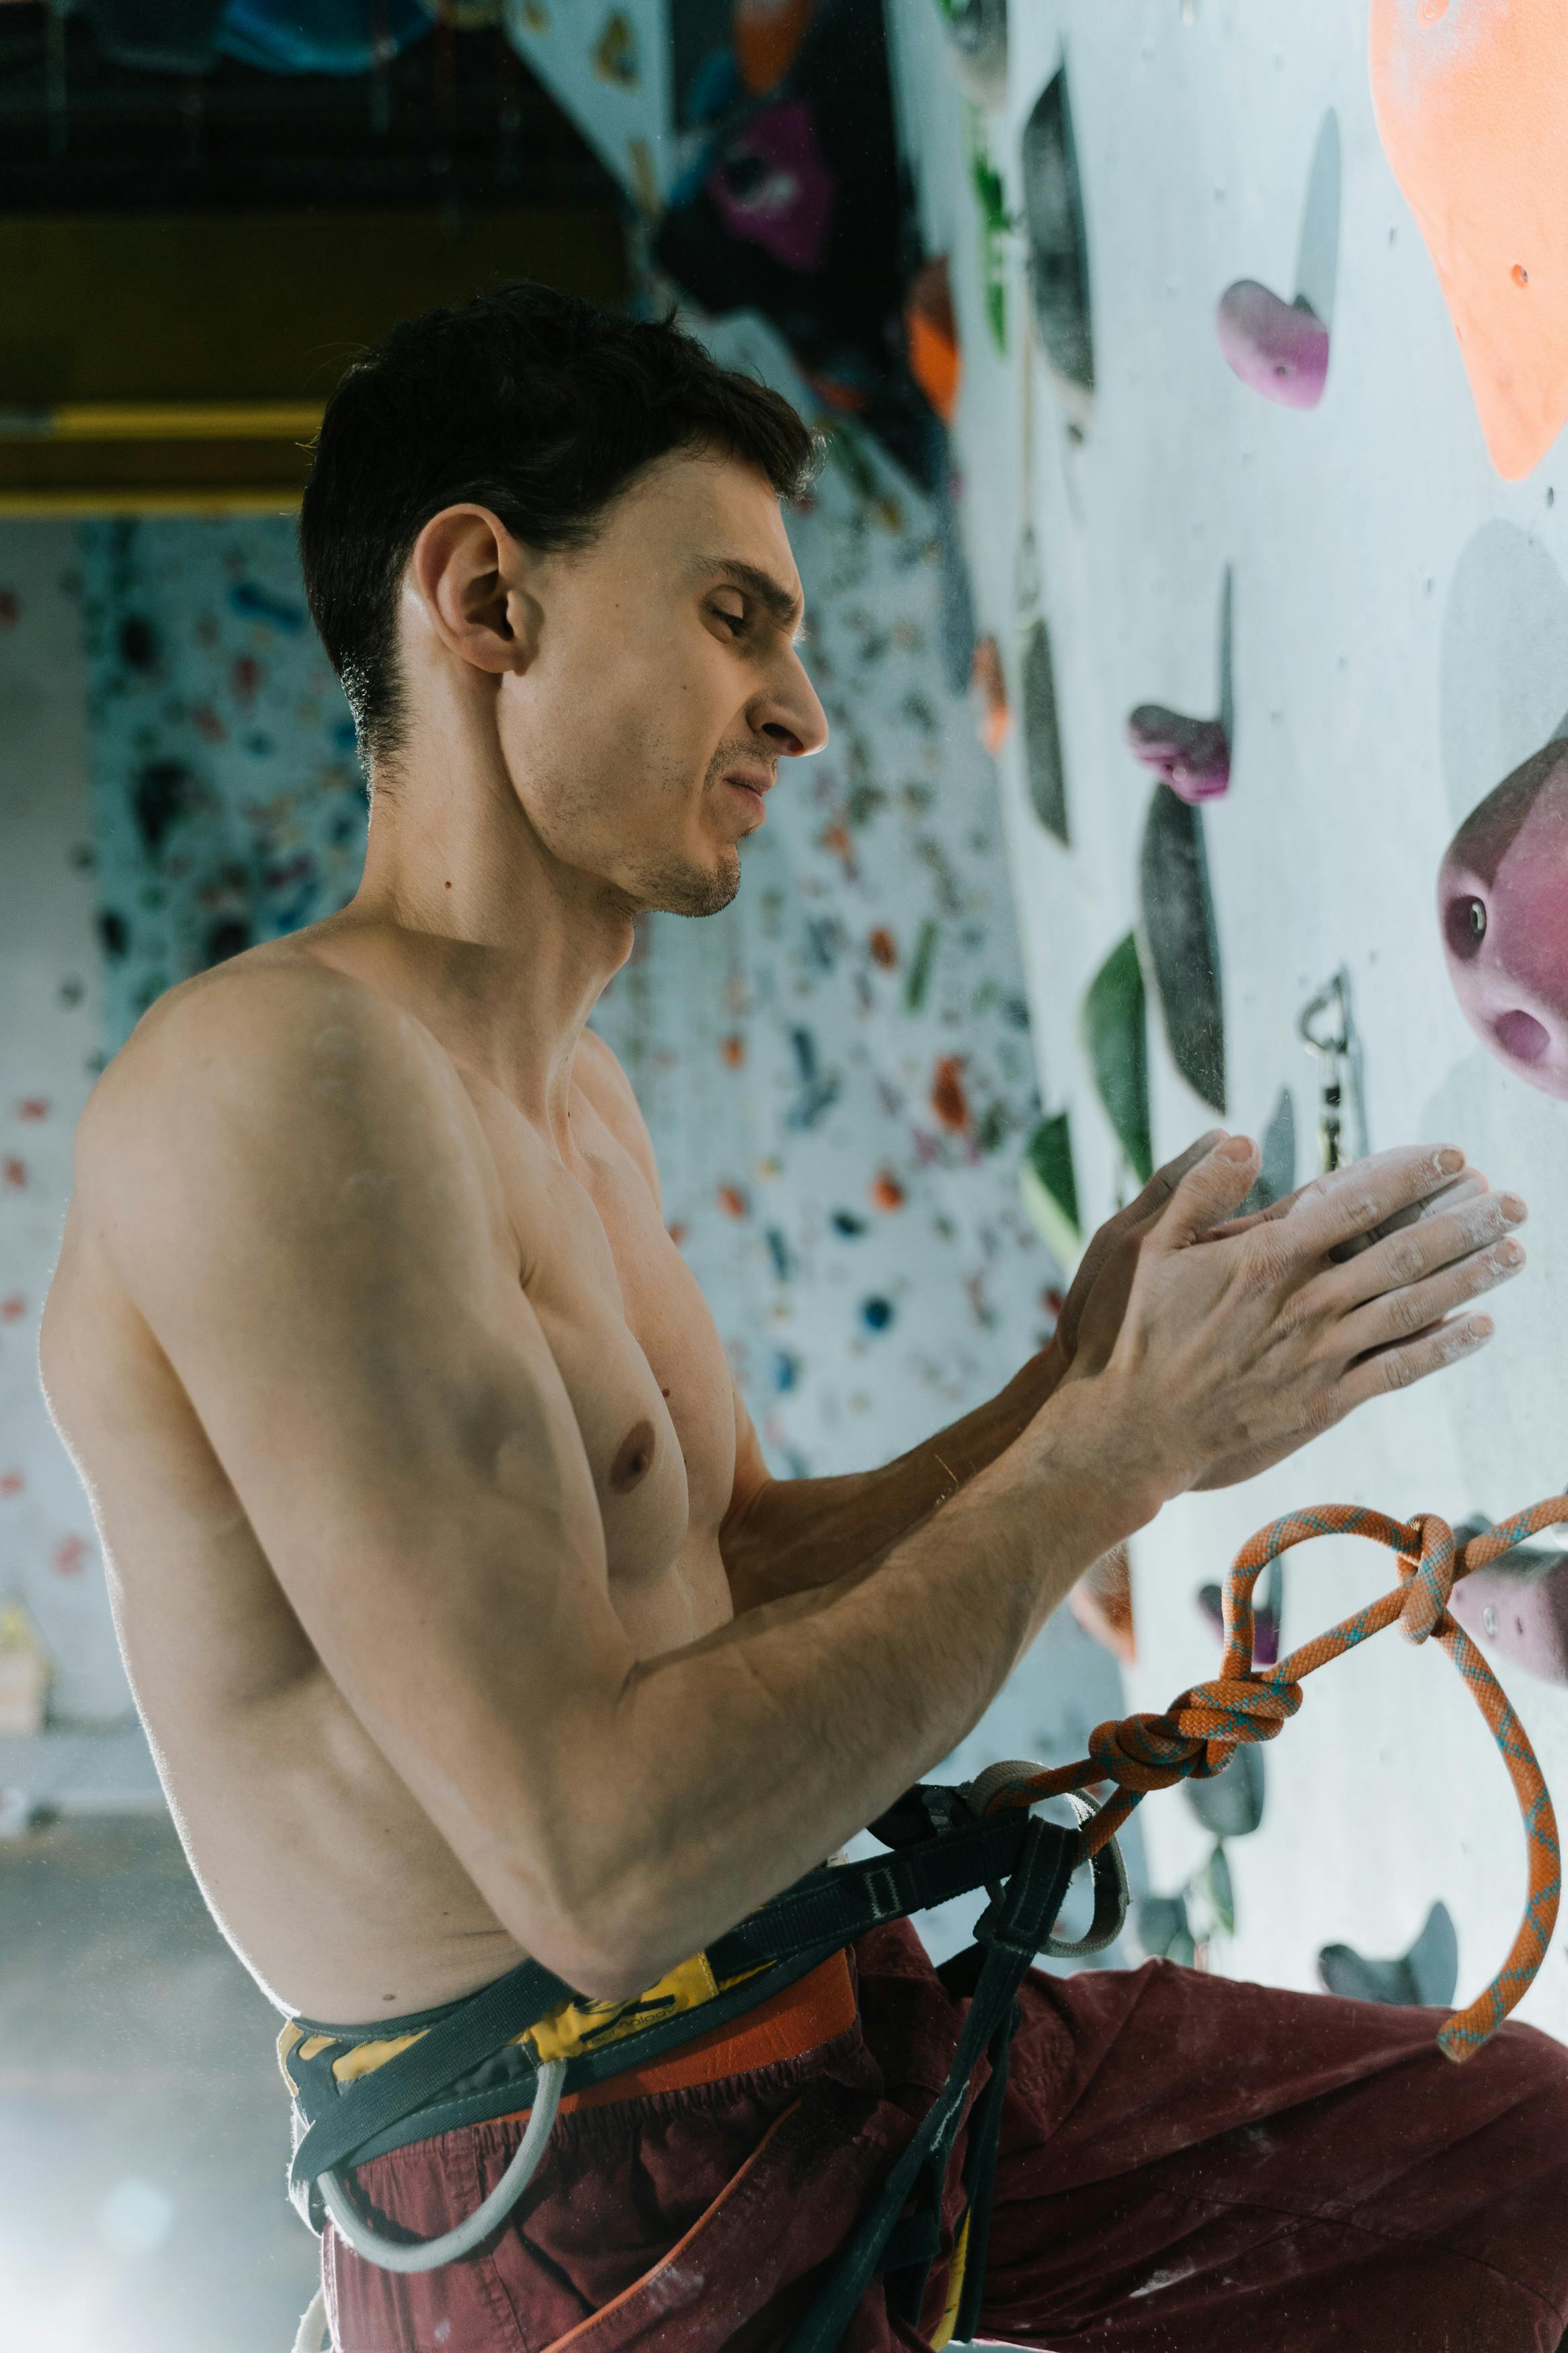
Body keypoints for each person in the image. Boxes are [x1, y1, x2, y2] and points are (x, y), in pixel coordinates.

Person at [40, 284, 1568, 2353]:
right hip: (563, 2205)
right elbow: (600, 1859)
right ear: (486, 597)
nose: (803, 713)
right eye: (739, 619)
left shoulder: (562, 1093)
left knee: (1524, 2180)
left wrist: (1082, 1384)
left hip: (825, 2028)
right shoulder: (279, 1089)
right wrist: (1109, 1456)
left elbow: (734, 1569)